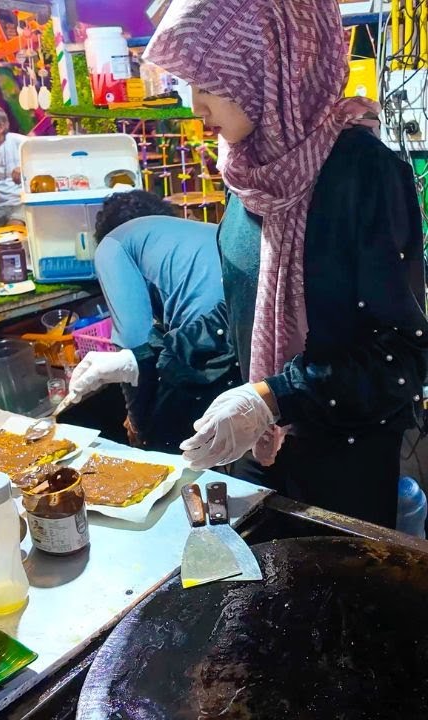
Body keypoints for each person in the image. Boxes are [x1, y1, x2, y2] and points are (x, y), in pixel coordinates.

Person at [146, 0, 428, 527]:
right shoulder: (248, 173)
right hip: (260, 456)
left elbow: (402, 357)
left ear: (271, 67)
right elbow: (240, 314)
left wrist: (273, 397)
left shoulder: (363, 174)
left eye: (209, 82)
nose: (196, 106)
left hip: (343, 467)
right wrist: (144, 359)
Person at [65, 190, 237, 452]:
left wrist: (137, 422)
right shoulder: (184, 231)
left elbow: (135, 346)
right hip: (249, 321)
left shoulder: (112, 245)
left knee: (171, 439)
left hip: (207, 325)